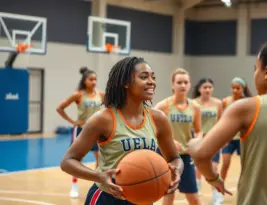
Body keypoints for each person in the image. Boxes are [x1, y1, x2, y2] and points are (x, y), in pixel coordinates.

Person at [187, 23, 267, 205]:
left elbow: (200, 154)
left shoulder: (248, 108)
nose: (254, 74)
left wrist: (213, 177)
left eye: (255, 68)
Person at [60, 57, 184, 205]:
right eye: (144, 77)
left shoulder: (159, 119)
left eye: (153, 77)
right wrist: (98, 176)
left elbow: (174, 158)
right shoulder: (102, 119)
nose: (151, 82)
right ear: (125, 83)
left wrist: (176, 170)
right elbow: (67, 161)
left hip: (143, 198)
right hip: (107, 197)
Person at [56, 67, 104, 198]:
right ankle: (74, 185)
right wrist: (72, 121)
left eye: (95, 79)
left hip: (97, 131)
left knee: (100, 158)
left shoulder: (100, 94)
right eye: (91, 79)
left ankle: (98, 185)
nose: (94, 82)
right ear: (84, 81)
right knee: (76, 159)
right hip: (81, 129)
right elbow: (59, 108)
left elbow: (111, 107)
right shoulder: (78, 95)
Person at [156, 68, 201, 205]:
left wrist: (196, 140)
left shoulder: (195, 107)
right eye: (179, 82)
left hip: (185, 156)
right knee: (169, 193)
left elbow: (199, 131)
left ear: (189, 84)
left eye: (185, 82)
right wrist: (168, 141)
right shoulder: (163, 106)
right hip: (166, 155)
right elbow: (150, 129)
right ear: (172, 85)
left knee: (193, 197)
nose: (182, 85)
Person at [192, 78, 223, 205]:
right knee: (198, 167)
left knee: (214, 168)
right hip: (199, 140)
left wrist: (223, 138)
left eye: (210, 87)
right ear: (199, 89)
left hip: (214, 139)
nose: (208, 89)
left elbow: (221, 121)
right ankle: (197, 187)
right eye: (205, 87)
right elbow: (191, 123)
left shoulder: (218, 103)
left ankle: (217, 197)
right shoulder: (193, 103)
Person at [220, 77, 252, 181]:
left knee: (245, 165)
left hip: (242, 138)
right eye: (233, 88)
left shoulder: (247, 102)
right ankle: (219, 189)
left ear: (243, 89)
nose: (235, 90)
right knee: (225, 163)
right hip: (228, 138)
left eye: (237, 88)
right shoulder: (225, 101)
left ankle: (246, 185)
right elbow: (221, 120)